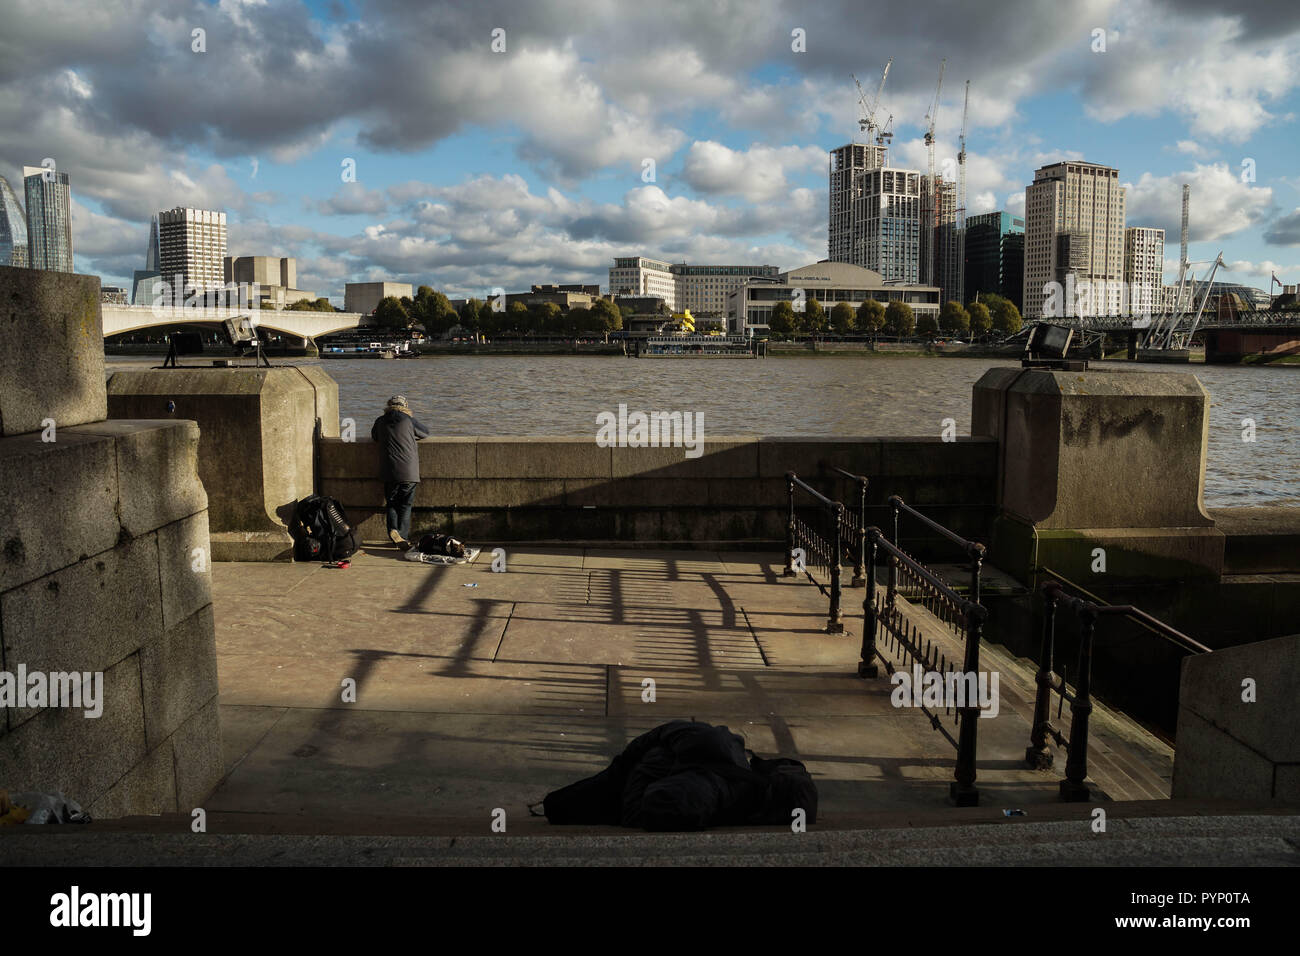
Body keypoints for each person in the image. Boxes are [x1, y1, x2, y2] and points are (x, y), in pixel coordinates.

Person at [371, 395, 431, 548]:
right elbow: (425, 433)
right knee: (405, 505)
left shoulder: (380, 420)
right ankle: (402, 537)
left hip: (389, 471)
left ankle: (393, 531)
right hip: (409, 472)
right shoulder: (408, 420)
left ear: (388, 406)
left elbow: (374, 436)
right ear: (405, 406)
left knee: (391, 503)